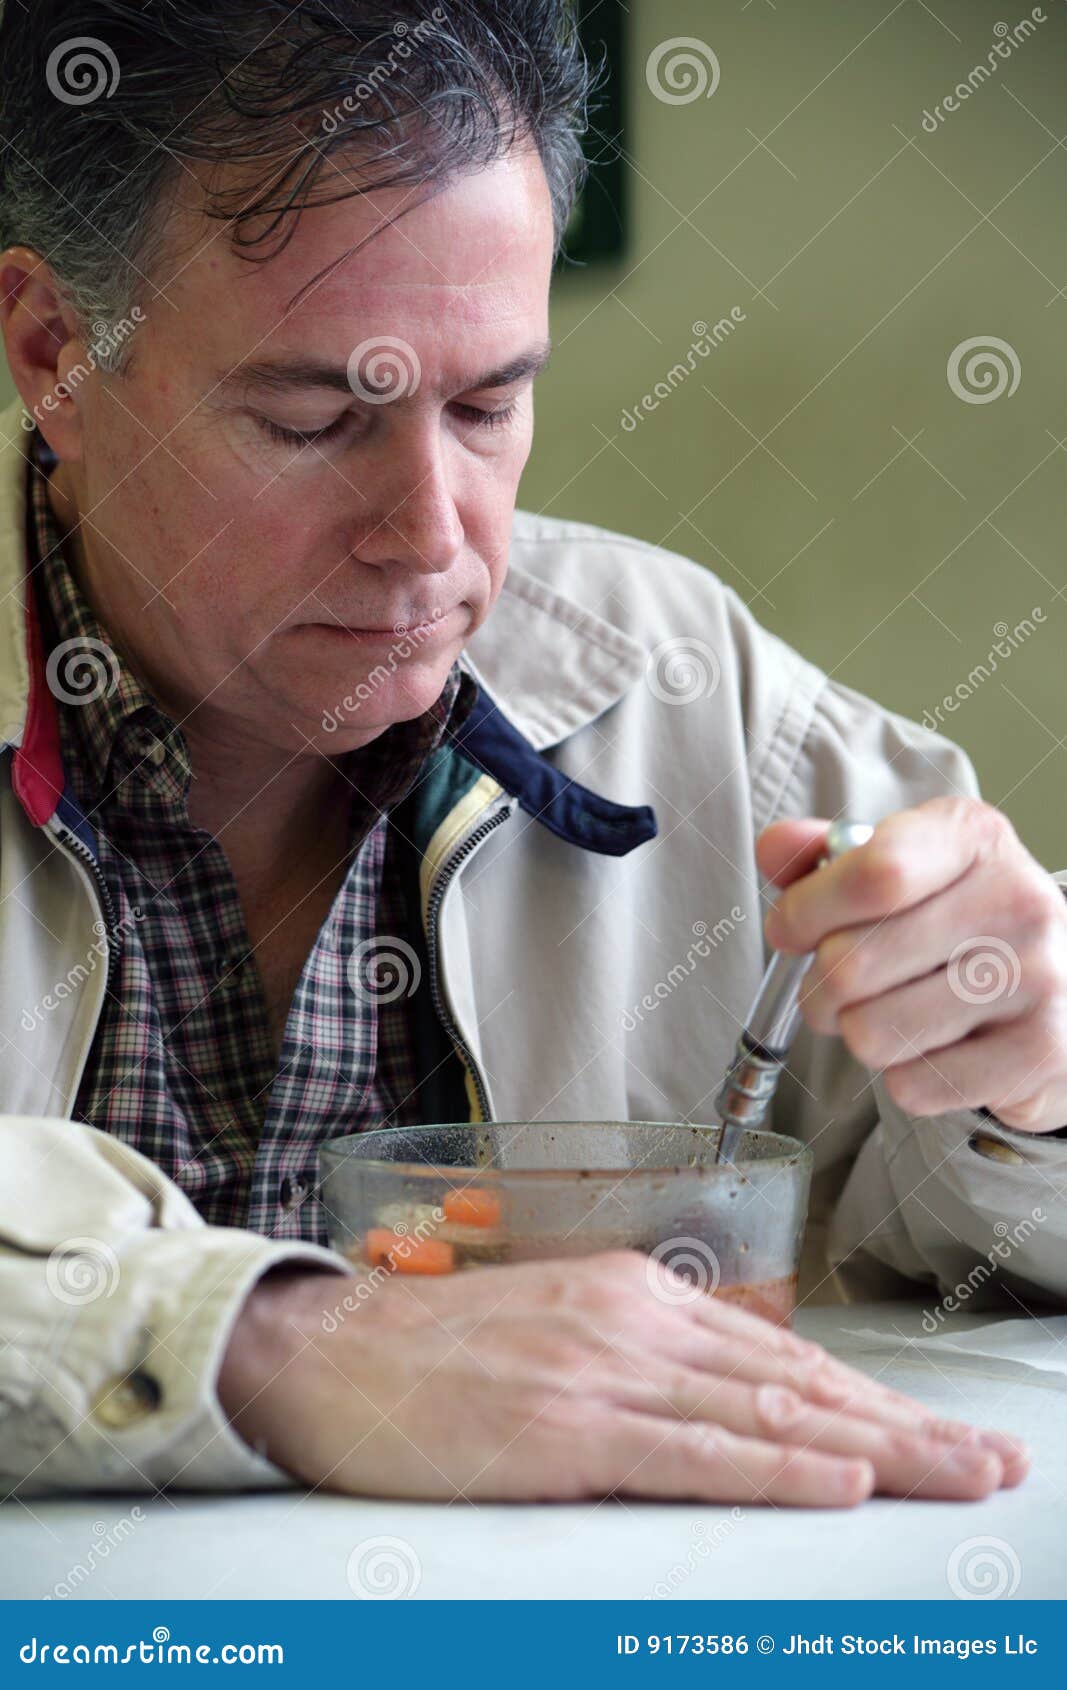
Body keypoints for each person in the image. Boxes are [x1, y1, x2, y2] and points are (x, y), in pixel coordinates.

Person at [0, 1, 1062, 1507]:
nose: (433, 540)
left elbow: (1005, 1229)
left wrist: (1037, 1088)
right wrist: (278, 1348)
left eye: (492, 402)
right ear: (55, 350)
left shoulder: (691, 693)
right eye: (312, 419)